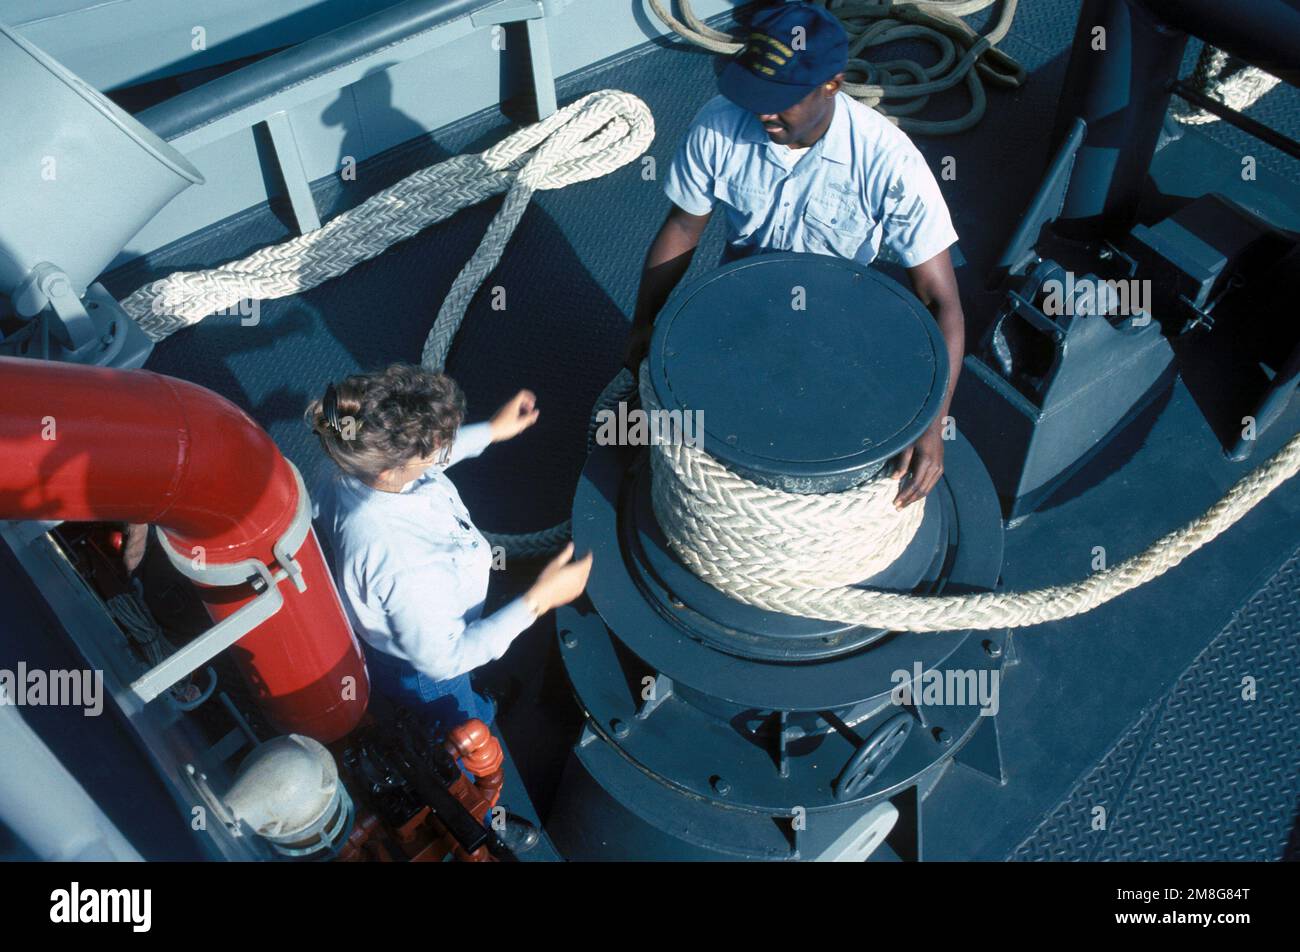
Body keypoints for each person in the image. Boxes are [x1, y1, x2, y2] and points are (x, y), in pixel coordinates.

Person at [624, 2, 966, 509]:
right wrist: (643, 325)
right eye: (755, 95)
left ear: (833, 83)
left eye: (780, 100)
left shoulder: (891, 163)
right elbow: (681, 227)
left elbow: (942, 302)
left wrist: (933, 425)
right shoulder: (719, 127)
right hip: (741, 294)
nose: (762, 112)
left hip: (838, 316)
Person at [307, 363, 592, 732]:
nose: (444, 448)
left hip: (408, 626)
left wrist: (490, 431)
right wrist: (539, 599)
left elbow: (422, 462)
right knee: (464, 726)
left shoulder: (345, 461)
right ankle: (473, 735)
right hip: (428, 672)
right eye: (435, 446)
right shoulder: (406, 566)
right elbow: (445, 660)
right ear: (389, 469)